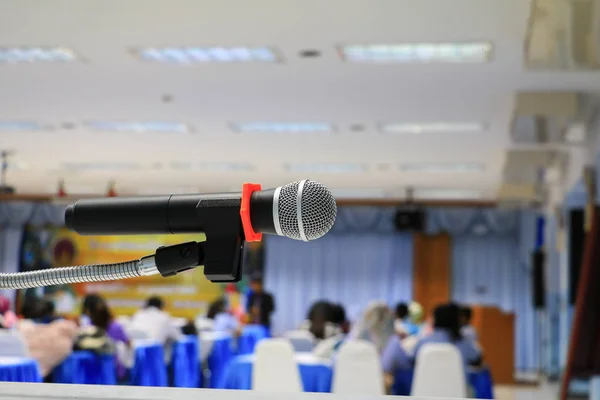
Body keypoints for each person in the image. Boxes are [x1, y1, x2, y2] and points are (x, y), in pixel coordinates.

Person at [413, 303, 481, 367]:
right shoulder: (464, 343)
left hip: (426, 379)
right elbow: (476, 360)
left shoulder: (423, 342)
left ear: (435, 320)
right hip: (456, 379)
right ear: (456, 321)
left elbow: (412, 360)